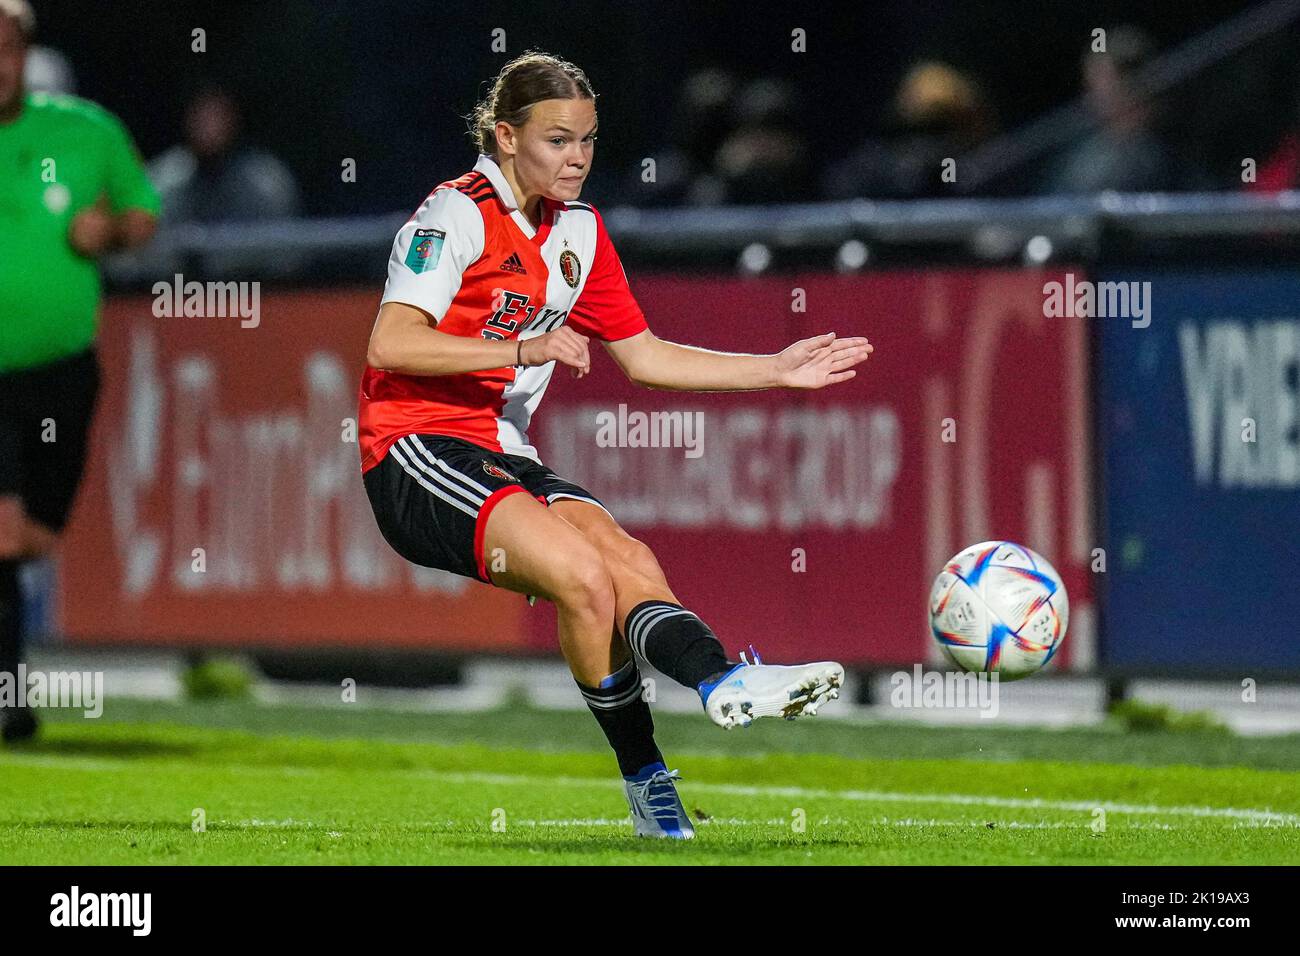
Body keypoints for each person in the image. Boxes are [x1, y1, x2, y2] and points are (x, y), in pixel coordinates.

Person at [358, 51, 873, 839]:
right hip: (414, 450)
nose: (577, 159)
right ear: (505, 136)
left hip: (501, 449)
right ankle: (679, 734)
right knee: (579, 575)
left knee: (624, 561)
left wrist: (775, 368)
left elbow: (647, 357)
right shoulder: (453, 216)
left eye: (588, 141)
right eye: (557, 140)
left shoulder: (581, 235)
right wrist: (523, 351)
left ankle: (709, 700)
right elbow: (392, 345)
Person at [0, 0, 161, 742]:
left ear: (25, 56)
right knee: (3, 534)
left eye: (6, 49)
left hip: (62, 369)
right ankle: (10, 698)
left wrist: (114, 232)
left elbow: (143, 213)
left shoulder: (84, 131)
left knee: (34, 536)